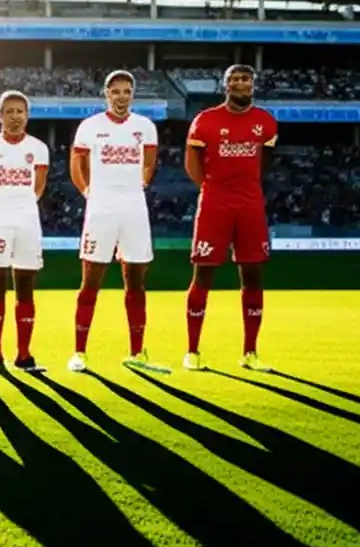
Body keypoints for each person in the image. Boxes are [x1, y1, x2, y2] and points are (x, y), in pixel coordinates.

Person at [67, 70, 166, 374]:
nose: (122, 96)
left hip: (134, 209)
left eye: (127, 91)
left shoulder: (145, 127)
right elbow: (76, 164)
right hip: (101, 210)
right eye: (116, 91)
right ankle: (80, 353)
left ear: (132, 94)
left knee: (135, 282)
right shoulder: (90, 126)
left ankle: (137, 351)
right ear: (106, 94)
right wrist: (88, 192)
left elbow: (149, 161)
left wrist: (142, 184)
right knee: (90, 283)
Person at [183, 64, 279, 371]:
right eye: (234, 79)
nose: (240, 83)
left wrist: (245, 190)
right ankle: (192, 352)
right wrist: (213, 191)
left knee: (252, 276)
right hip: (214, 204)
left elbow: (266, 161)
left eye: (246, 79)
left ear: (253, 84)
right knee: (203, 275)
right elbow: (191, 164)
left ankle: (250, 352)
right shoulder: (205, 121)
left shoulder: (265, 122)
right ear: (225, 85)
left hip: (250, 206)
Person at [0, 90, 48, 373]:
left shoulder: (38, 148)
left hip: (27, 222)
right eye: (9, 112)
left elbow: (38, 185)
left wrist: (23, 204)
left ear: (27, 116)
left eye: (20, 112)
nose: (15, 117)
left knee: (25, 291)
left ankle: (24, 355)